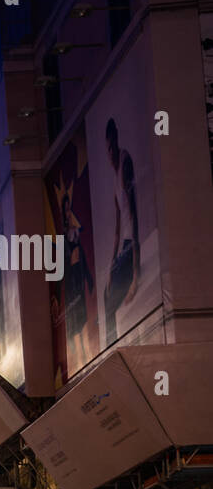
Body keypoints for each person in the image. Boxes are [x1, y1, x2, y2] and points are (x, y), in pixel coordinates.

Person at [103, 118, 138, 345]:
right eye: (108, 149)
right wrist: (109, 266)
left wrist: (135, 274)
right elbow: (117, 227)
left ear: (116, 141)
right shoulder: (114, 175)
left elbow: (134, 217)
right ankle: (112, 347)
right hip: (122, 247)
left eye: (112, 147)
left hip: (130, 245)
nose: (111, 153)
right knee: (107, 295)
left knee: (111, 302)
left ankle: (114, 348)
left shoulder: (124, 162)